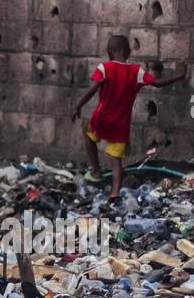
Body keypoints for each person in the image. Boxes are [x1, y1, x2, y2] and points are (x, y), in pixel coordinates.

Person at [71, 35, 186, 200]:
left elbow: (93, 89)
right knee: (116, 160)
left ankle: (96, 171)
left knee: (88, 135)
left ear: (110, 51)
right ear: (128, 51)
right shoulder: (136, 72)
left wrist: (78, 106)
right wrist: (179, 75)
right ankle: (114, 192)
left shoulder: (104, 68)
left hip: (101, 119)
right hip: (120, 124)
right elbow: (157, 83)